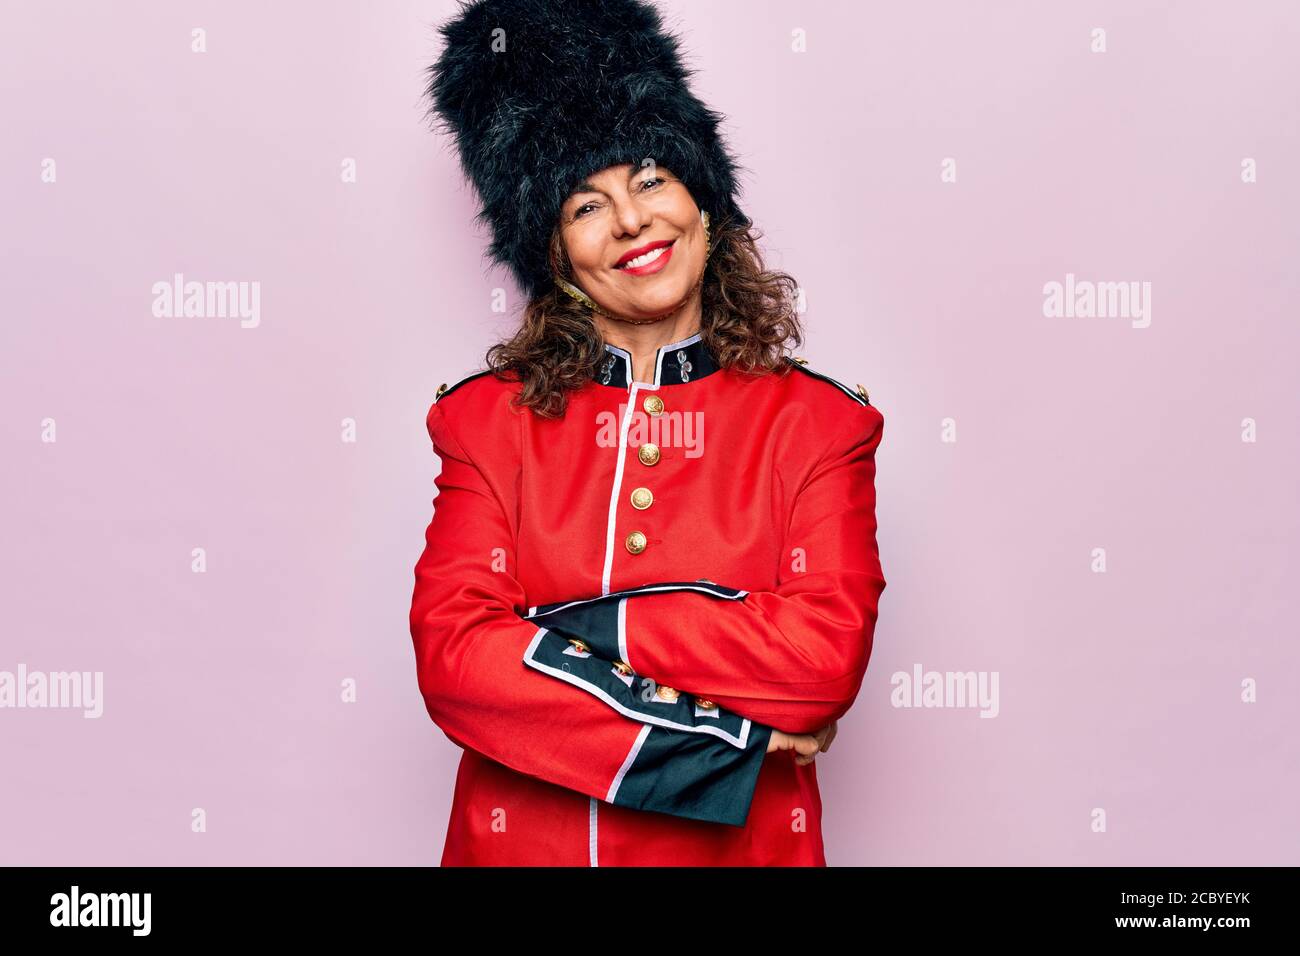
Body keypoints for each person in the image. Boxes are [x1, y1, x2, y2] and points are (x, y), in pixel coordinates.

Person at [410, 0, 885, 866]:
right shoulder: (482, 424)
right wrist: (728, 743)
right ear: (554, 255)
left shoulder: (822, 426)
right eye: (585, 204)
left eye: (652, 176)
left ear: (706, 204)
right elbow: (455, 662)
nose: (632, 220)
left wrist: (566, 630)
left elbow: (820, 661)